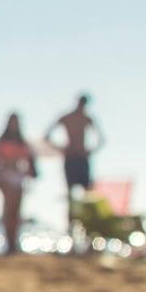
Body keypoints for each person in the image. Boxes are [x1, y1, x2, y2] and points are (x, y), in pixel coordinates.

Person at [48, 94, 102, 240]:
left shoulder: (87, 119)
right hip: (71, 158)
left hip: (81, 159)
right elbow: (47, 135)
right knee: (71, 196)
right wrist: (62, 149)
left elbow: (101, 139)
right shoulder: (67, 118)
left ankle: (88, 234)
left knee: (88, 197)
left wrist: (89, 151)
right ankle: (71, 234)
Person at [0, 114, 36, 255]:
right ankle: (8, 242)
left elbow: (28, 161)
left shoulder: (22, 142)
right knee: (8, 211)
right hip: (7, 177)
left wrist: (29, 173)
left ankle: (14, 242)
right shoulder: (2, 142)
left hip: (19, 178)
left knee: (16, 213)